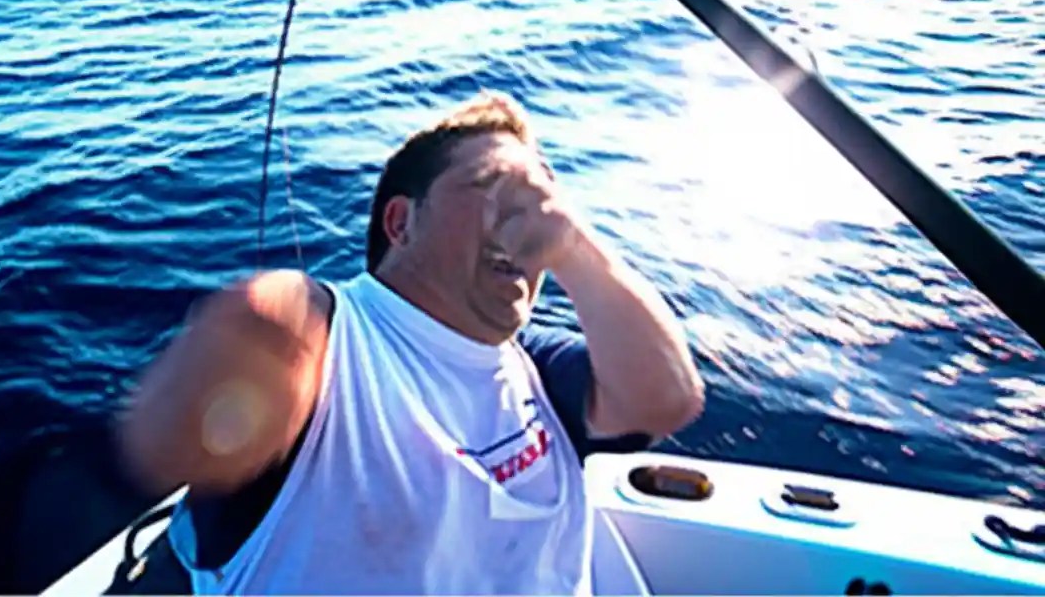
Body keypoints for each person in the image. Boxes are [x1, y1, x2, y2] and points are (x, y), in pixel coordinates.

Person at [113, 90, 705, 594]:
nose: (533, 213)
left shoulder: (539, 365)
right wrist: (257, 342)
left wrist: (574, 247)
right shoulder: (331, 337)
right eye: (494, 186)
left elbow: (666, 397)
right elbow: (194, 420)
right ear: (402, 223)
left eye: (543, 194)